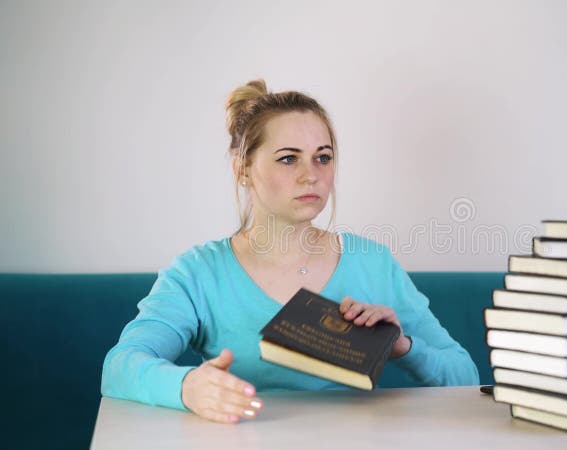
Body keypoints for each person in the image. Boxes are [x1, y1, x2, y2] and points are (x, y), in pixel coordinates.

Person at [101, 79, 479, 424]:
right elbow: (119, 366)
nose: (310, 174)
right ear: (243, 169)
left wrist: (399, 345)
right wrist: (188, 387)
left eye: (323, 157)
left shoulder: (372, 264)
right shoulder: (199, 273)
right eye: (288, 158)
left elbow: (465, 376)